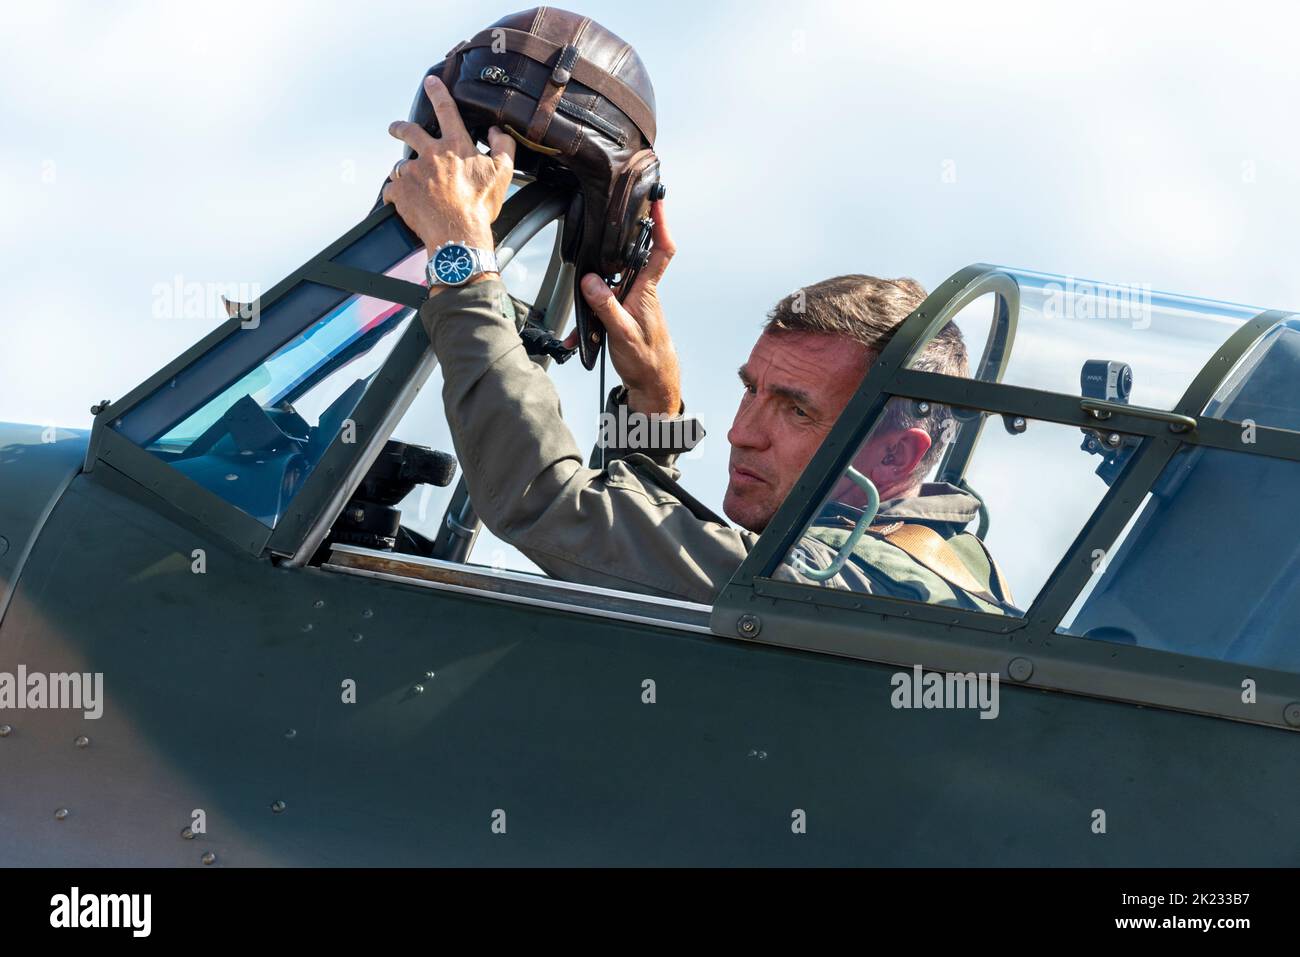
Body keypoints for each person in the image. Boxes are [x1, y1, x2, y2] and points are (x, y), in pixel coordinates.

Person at [382, 76, 1013, 613]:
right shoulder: (944, 562)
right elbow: (635, 561)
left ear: (900, 454)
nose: (742, 434)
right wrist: (655, 403)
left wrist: (461, 255)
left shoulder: (829, 587)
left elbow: (547, 503)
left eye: (797, 410)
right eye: (751, 390)